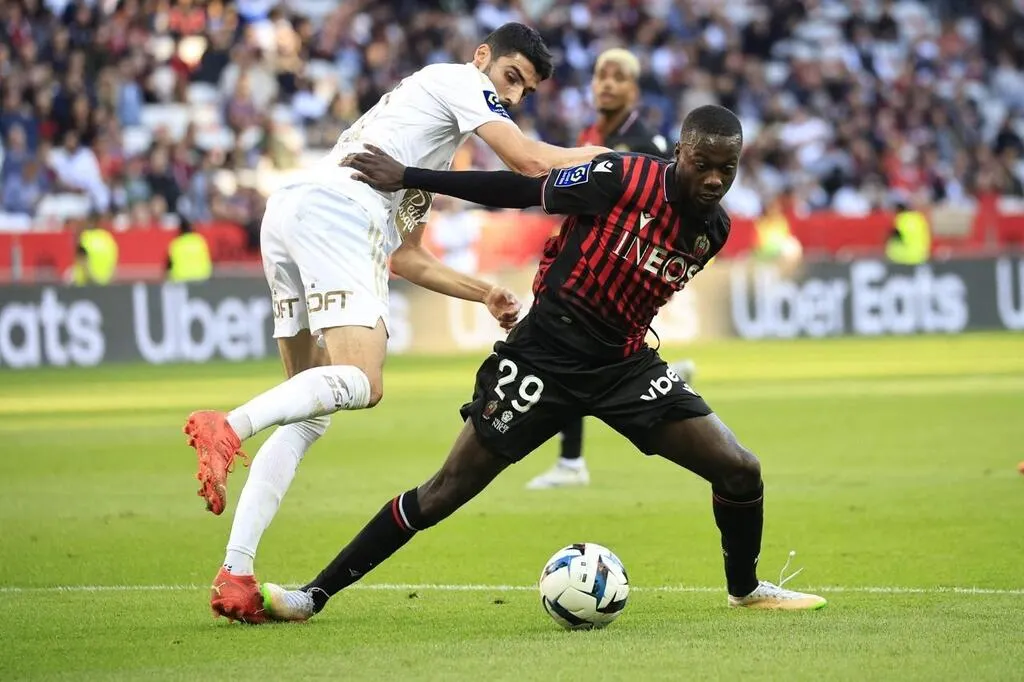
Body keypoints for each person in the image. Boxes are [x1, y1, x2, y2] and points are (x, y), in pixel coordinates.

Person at [257, 105, 828, 623]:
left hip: (626, 366)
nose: (714, 179)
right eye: (703, 164)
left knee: (740, 470)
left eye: (726, 169)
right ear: (680, 152)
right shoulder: (621, 177)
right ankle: (314, 595)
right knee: (442, 492)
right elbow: (518, 188)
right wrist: (410, 176)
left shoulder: (714, 230)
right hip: (545, 354)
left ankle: (745, 589)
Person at [183, 22, 609, 622]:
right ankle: (227, 425)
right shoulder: (456, 79)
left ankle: (237, 571)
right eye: (511, 78)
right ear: (483, 57)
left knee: (309, 413)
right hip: (338, 211)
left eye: (525, 92)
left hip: (292, 210)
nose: (512, 98)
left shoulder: (421, 143)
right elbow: (528, 161)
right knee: (366, 383)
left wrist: (481, 291)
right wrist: (602, 160)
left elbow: (406, 257)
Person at [527, 47, 695, 491]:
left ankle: (571, 461)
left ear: (634, 90)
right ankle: (573, 458)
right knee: (575, 354)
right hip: (586, 258)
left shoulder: (647, 144)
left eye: (618, 77)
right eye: (601, 75)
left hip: (622, 269)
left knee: (574, 353)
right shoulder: (590, 133)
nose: (606, 84)